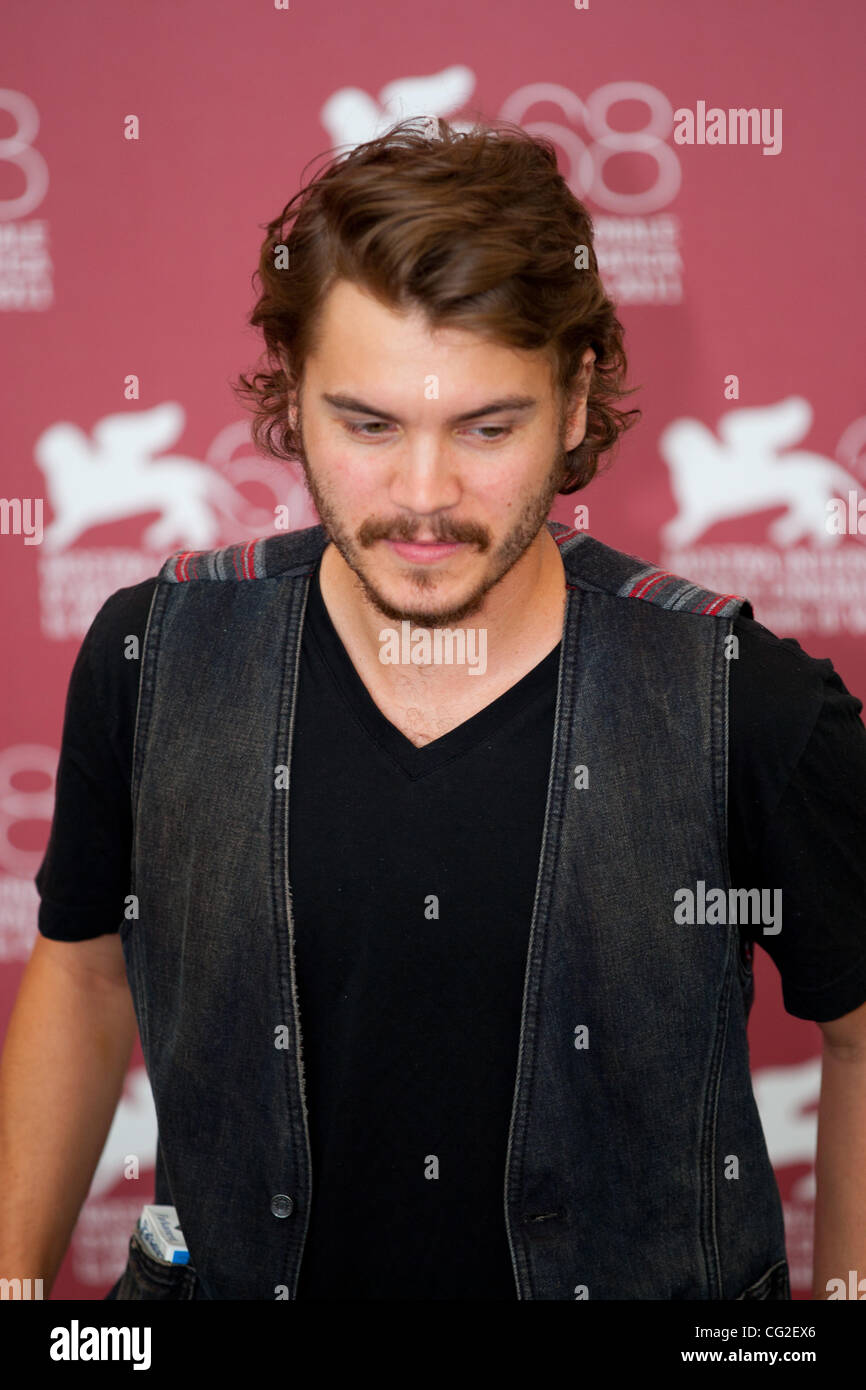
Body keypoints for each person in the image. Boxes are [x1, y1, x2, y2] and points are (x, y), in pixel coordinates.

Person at [2, 116, 865, 1301]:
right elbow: (87, 972)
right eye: (367, 425)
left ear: (573, 406)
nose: (422, 497)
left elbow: (861, 1032)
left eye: (486, 427)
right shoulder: (154, 656)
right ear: (289, 399)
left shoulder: (746, 701)